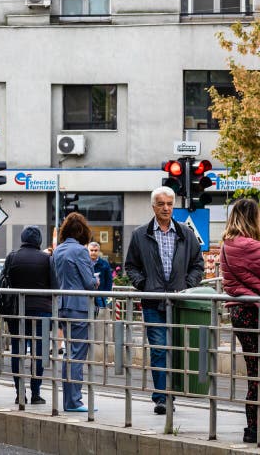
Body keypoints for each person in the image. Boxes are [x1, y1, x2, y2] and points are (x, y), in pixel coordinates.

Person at [125, 186, 204, 415]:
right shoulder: (141, 234)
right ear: (153, 207)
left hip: (179, 303)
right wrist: (143, 284)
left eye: (169, 203)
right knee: (159, 349)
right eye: (161, 204)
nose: (166, 208)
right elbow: (131, 266)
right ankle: (162, 397)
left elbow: (197, 264)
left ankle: (173, 391)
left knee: (177, 349)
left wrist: (187, 285)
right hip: (153, 302)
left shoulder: (185, 234)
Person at [219, 198, 260, 444]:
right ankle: (254, 428)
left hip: (241, 313)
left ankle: (252, 428)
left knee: (255, 372)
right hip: (253, 312)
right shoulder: (247, 245)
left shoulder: (228, 244)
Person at [4, 225, 58, 405]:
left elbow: (4, 282)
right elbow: (55, 286)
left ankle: (20, 393)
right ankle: (36, 393)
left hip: (17, 311)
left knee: (18, 352)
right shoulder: (47, 259)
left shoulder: (12, 257)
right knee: (39, 352)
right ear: (39, 241)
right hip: (42, 311)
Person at [54, 212, 97, 412]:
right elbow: (89, 283)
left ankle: (68, 401)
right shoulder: (80, 251)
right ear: (82, 231)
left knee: (68, 355)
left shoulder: (58, 250)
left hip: (63, 306)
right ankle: (74, 401)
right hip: (79, 307)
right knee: (77, 355)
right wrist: (96, 280)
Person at [88, 241, 113, 311]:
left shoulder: (104, 264)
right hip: (88, 294)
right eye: (91, 250)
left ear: (99, 251)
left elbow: (109, 281)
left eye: (95, 250)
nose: (93, 252)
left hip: (101, 295)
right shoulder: (85, 263)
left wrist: (105, 295)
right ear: (88, 251)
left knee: (101, 315)